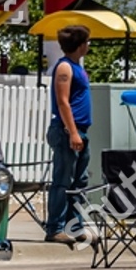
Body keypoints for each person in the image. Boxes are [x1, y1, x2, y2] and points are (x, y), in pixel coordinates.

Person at [45, 24, 94, 246]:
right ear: (80, 45)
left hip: (81, 130)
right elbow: (63, 101)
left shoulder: (76, 66)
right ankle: (55, 228)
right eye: (87, 41)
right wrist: (72, 132)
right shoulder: (65, 68)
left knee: (78, 181)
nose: (89, 45)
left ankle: (73, 225)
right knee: (63, 181)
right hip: (67, 131)